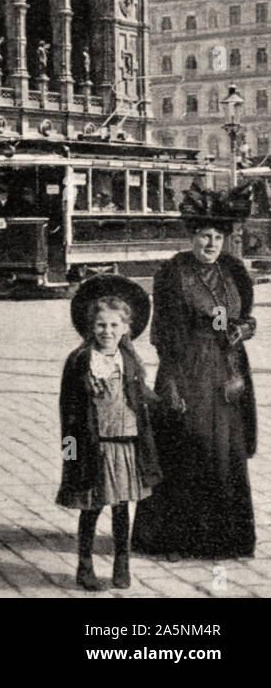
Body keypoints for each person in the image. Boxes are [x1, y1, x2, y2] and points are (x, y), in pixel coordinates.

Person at [132, 185, 258, 560]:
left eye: (218, 237)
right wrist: (170, 382)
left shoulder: (233, 270)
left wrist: (242, 329)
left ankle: (223, 539)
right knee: (186, 448)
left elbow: (248, 316)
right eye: (205, 236)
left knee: (225, 451)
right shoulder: (174, 272)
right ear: (192, 236)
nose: (212, 243)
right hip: (187, 368)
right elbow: (164, 333)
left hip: (229, 372)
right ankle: (175, 538)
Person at [56, 281, 160, 591]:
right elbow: (69, 412)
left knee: (120, 509)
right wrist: (70, 456)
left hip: (125, 445)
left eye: (115, 324)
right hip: (92, 446)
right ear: (91, 326)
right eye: (101, 324)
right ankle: (84, 566)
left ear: (126, 328)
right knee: (91, 508)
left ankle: (121, 565)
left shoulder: (128, 361)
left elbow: (142, 396)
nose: (107, 331)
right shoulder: (79, 361)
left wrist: (168, 405)